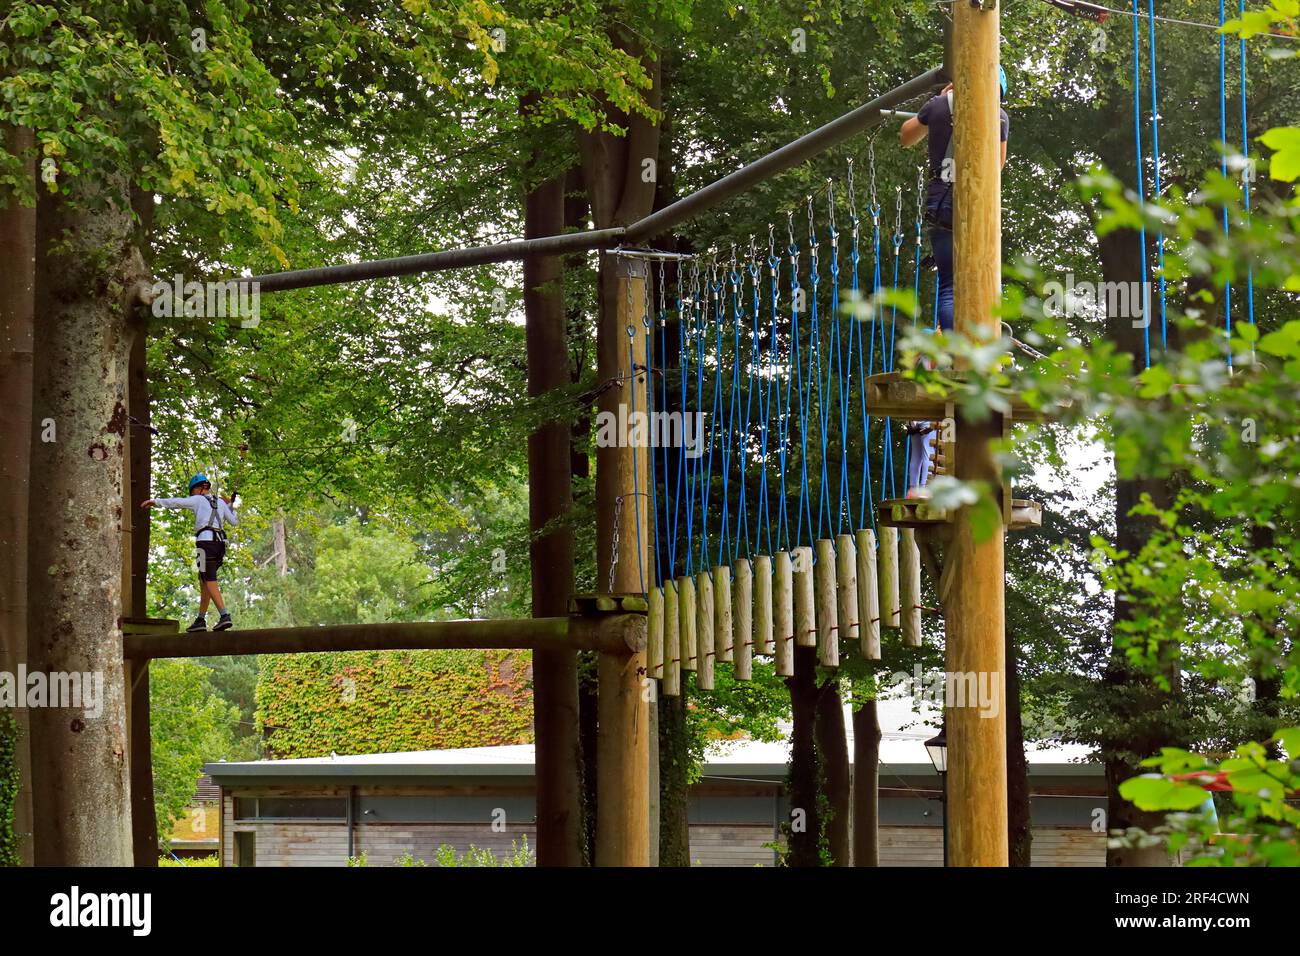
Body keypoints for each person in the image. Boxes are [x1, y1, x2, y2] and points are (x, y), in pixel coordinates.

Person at [898, 67, 1009, 497]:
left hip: (942, 204)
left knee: (948, 284)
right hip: (977, 205)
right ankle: (972, 351)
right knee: (975, 285)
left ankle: (953, 344)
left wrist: (935, 110)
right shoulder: (997, 114)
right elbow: (998, 164)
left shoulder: (939, 105)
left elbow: (907, 135)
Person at [141, 474, 239, 632]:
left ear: (199, 489)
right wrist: (230, 506)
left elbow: (177, 502)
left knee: (209, 579)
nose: (191, 495)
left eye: (192, 491)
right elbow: (234, 522)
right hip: (220, 545)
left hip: (204, 543)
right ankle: (200, 619)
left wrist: (156, 502)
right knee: (204, 580)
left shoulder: (198, 499)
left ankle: (224, 615)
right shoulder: (220, 502)